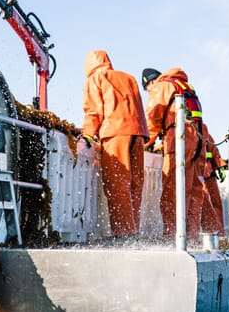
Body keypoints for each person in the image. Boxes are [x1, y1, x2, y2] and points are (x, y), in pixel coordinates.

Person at [81, 51, 148, 237]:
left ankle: (123, 234)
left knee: (117, 184)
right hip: (138, 135)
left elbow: (93, 112)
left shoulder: (96, 78)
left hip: (115, 134)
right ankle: (133, 232)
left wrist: (87, 135)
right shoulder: (129, 78)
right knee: (135, 185)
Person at [142, 67, 204, 240]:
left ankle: (172, 237)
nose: (149, 92)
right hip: (197, 141)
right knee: (191, 192)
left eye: (147, 89)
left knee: (172, 190)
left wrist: (144, 143)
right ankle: (191, 237)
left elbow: (153, 118)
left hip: (179, 139)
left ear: (150, 82)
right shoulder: (184, 85)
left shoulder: (161, 86)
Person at [199, 123, 226, 235]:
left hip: (209, 173)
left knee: (215, 204)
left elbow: (213, 149)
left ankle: (218, 234)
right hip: (198, 174)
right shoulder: (186, 130)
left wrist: (220, 167)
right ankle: (212, 234)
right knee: (206, 205)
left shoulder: (203, 130)